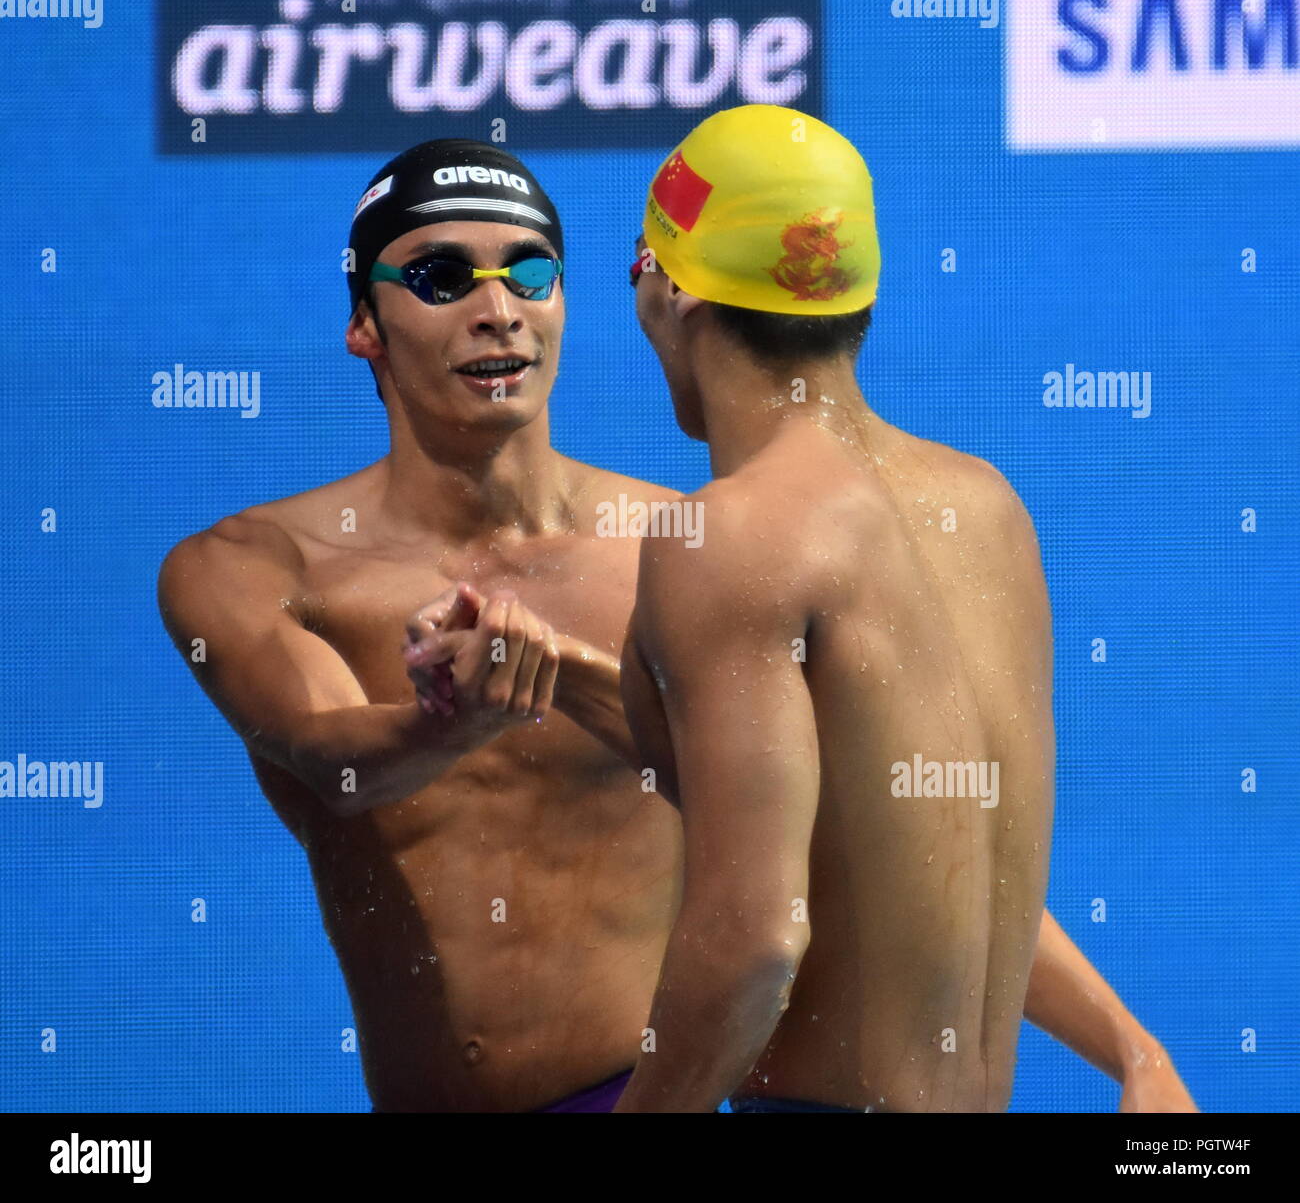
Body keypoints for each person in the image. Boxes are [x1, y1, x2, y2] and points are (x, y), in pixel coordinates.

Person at [158, 136, 1193, 1113]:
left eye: (529, 273)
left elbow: (891, 840)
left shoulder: (685, 550)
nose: (497, 309)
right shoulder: (257, 567)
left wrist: (1126, 1046)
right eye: (441, 277)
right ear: (364, 326)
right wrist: (454, 719)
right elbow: (330, 764)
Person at [614, 105, 1193, 1113]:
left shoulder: (724, 537)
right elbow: (936, 867)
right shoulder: (986, 509)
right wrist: (1134, 1049)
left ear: (667, 290)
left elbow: (752, 940)